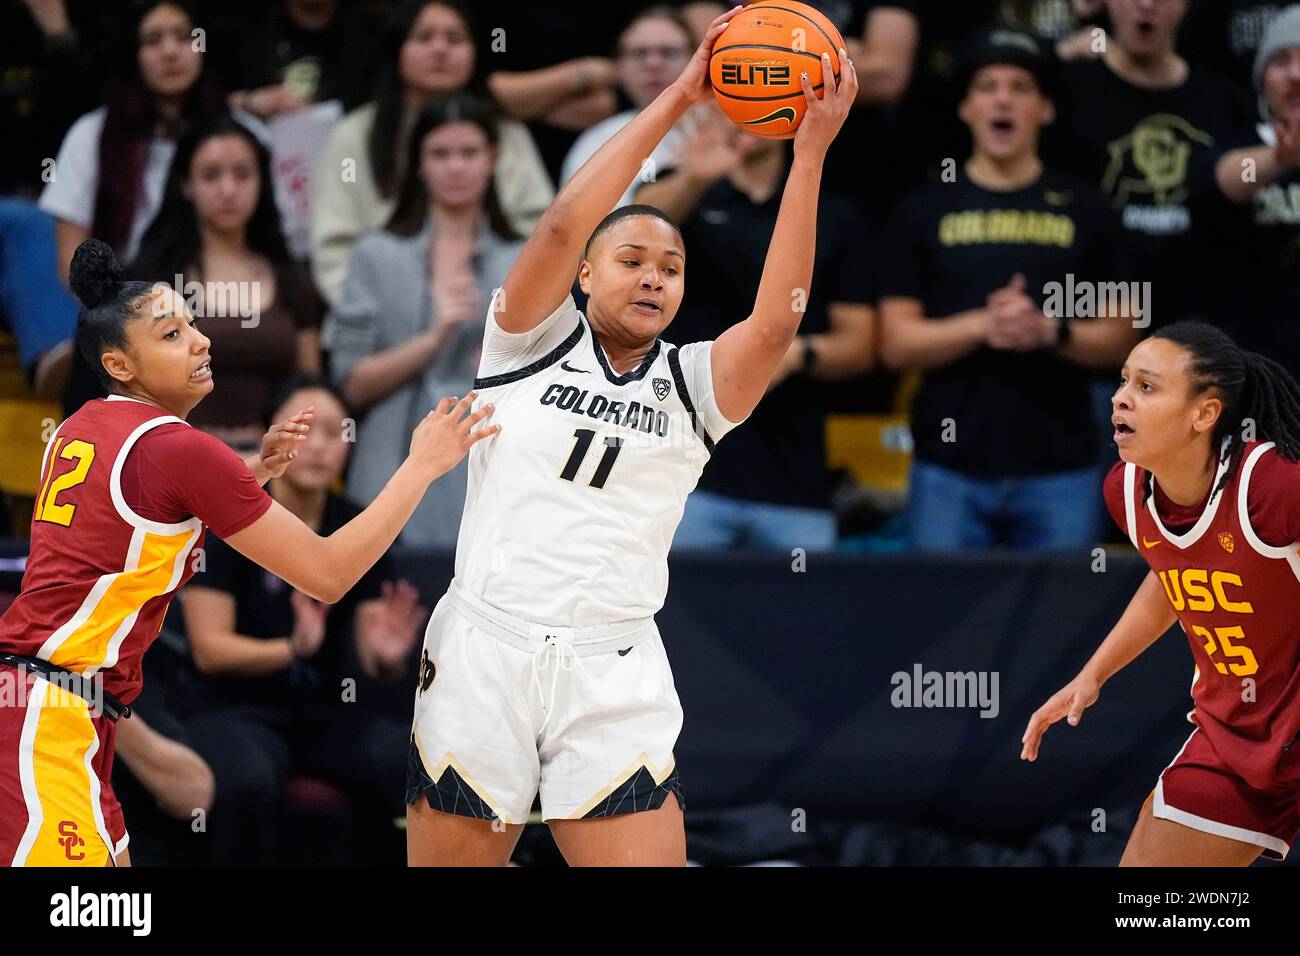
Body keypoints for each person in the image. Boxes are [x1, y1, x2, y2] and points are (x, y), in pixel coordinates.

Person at [405, 7, 857, 866]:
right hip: (486, 646)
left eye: (673, 267)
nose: (654, 275)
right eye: (633, 259)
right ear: (583, 276)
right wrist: (685, 91)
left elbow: (773, 326)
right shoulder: (526, 340)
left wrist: (808, 157)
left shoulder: (693, 385)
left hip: (612, 663)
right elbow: (562, 224)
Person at [0, 238, 495, 867]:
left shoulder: (78, 429)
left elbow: (148, 511)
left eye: (195, 325)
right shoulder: (181, 449)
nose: (202, 340)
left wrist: (251, 471)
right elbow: (329, 573)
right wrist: (420, 467)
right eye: (172, 334)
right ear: (120, 364)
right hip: (51, 715)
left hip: (48, 703)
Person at [1023, 322, 1300, 865]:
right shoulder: (1126, 491)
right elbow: (1173, 577)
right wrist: (1092, 674)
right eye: (1123, 382)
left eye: (1146, 387)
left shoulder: (1275, 486)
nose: (1121, 398)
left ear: (1205, 414)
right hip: (1236, 740)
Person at [880, 28, 1138, 551]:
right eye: (987, 87)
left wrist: (1050, 330)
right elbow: (895, 343)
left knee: (1062, 627)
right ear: (966, 109)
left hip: (1062, 465)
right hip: (948, 466)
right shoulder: (924, 209)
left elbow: (1124, 335)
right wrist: (983, 325)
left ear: (1044, 110)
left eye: (1020, 87)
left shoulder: (1088, 208)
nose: (1003, 99)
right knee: (944, 626)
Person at [181, 376, 424, 865]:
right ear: (267, 434)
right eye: (302, 429)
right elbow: (210, 649)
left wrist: (383, 658)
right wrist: (292, 649)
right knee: (248, 777)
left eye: (335, 432)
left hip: (325, 713)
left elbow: (373, 661)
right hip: (235, 711)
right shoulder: (224, 522)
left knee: (403, 759)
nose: (318, 446)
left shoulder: (359, 524)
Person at [636, 117, 876, 551]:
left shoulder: (832, 212)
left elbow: (862, 343)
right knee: (671, 614)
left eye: (760, 103)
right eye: (733, 104)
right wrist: (694, 177)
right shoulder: (688, 191)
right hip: (685, 473)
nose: (745, 117)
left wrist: (794, 355)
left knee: (799, 615)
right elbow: (630, 236)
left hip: (793, 476)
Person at [330, 93, 523, 548]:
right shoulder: (376, 254)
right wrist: (434, 339)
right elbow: (350, 383)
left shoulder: (522, 257)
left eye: (469, 152)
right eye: (440, 153)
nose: (456, 166)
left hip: (493, 475)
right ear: (418, 163)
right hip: (385, 474)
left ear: (492, 158)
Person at [310, 0, 553, 305]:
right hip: (381, 325)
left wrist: (502, 317)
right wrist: (385, 316)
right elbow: (334, 248)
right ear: (396, 49)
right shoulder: (353, 136)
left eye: (455, 39)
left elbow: (540, 231)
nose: (440, 49)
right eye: (423, 38)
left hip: (497, 318)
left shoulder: (508, 134)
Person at [1047, 0, 1254, 327]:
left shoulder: (1224, 101)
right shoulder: (1067, 93)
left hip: (1198, 326)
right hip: (1093, 320)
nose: (1146, 5)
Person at [131, 113, 323, 452]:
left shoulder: (292, 279)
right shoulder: (151, 280)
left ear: (262, 182)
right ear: (186, 184)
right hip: (174, 460)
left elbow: (310, 391)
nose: (228, 190)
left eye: (243, 174)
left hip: (274, 467)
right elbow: (129, 391)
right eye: (211, 175)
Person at [37, 0, 227, 273]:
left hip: (228, 301)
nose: (170, 52)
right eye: (152, 40)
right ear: (132, 54)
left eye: (185, 37)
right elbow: (71, 262)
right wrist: (126, 309)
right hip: (127, 305)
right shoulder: (90, 135)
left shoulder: (240, 133)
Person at [1208, 6, 1300, 385]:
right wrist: (1281, 158)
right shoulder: (1237, 141)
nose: (1296, 75)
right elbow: (1216, 183)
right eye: (1281, 61)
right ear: (1261, 80)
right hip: (1259, 379)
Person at [558, 7, 694, 209]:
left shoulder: (729, 130)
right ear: (618, 66)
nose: (653, 63)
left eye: (669, 52)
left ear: (696, 57)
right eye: (639, 53)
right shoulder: (596, 142)